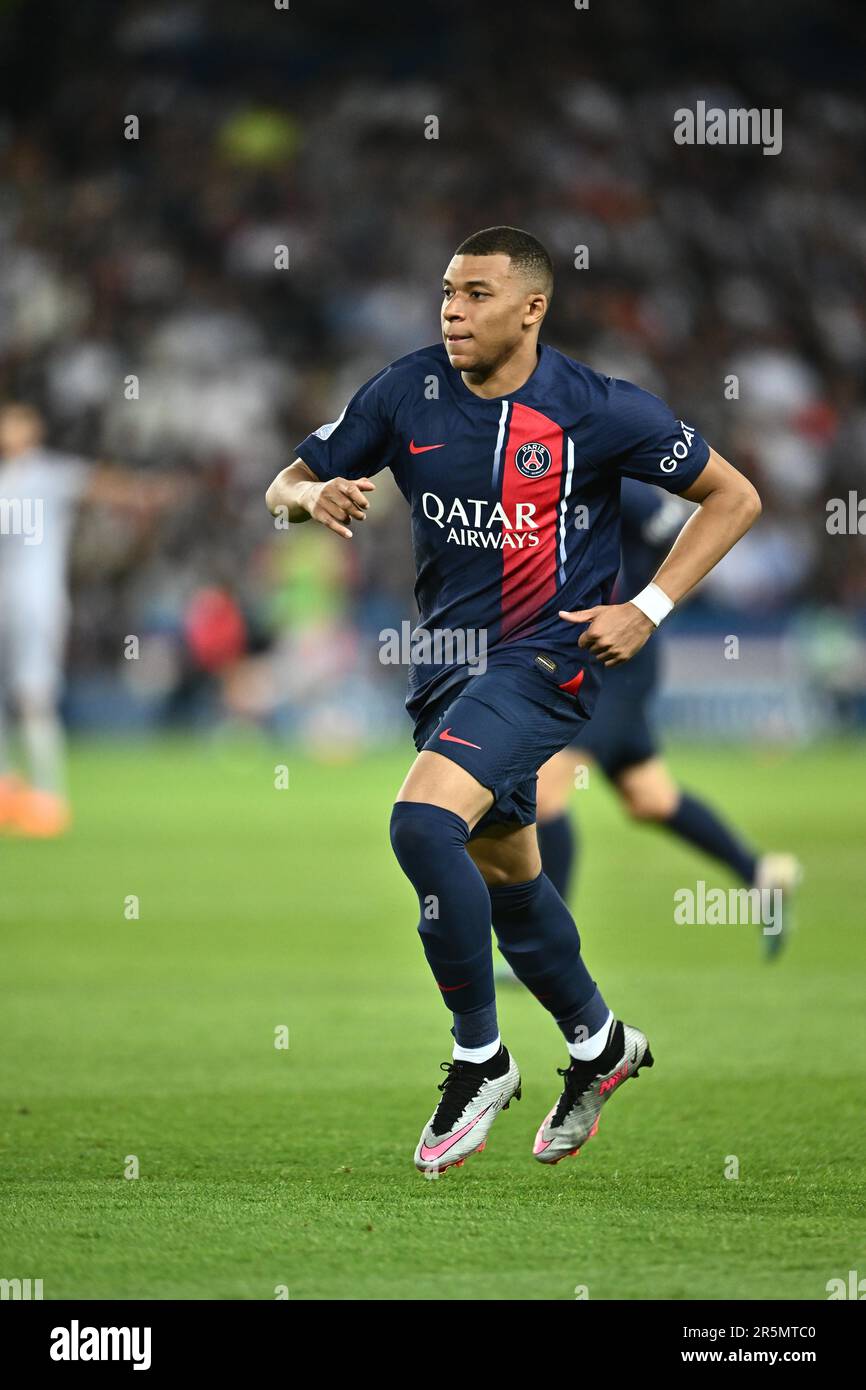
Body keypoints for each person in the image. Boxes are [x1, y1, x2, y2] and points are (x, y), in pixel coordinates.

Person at [265, 226, 762, 1174]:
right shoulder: (402, 390)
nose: (453, 309)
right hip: (447, 664)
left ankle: (479, 1059)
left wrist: (648, 608)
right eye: (447, 291)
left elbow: (733, 495)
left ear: (532, 307)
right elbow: (283, 483)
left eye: (478, 293)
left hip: (548, 661)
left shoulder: (597, 408)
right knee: (511, 880)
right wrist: (308, 501)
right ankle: (599, 1043)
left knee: (421, 825)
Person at [534, 477, 801, 959]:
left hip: (616, 663)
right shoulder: (546, 473)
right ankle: (761, 875)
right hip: (585, 662)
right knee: (650, 799)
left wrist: (641, 609)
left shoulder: (621, 487)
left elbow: (688, 537)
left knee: (545, 789)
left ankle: (547, 949)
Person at [0, 402, 174, 836]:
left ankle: (49, 795)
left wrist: (148, 493)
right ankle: (7, 791)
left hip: (37, 603)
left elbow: (105, 486)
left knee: (33, 695)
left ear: (33, 430)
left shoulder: (48, 473)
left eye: (18, 422)